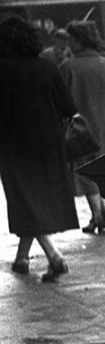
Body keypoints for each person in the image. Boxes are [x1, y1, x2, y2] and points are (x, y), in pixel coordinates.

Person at [0, 14, 79, 280]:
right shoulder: (46, 67)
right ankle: (22, 257)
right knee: (37, 199)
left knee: (23, 199)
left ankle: (54, 255)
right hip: (49, 143)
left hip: (13, 145)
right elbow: (69, 108)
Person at [59, 20, 105, 233]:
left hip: (81, 128)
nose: (68, 43)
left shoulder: (68, 67)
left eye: (70, 39)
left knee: (84, 171)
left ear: (79, 40)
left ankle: (97, 213)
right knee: (99, 170)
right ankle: (100, 209)